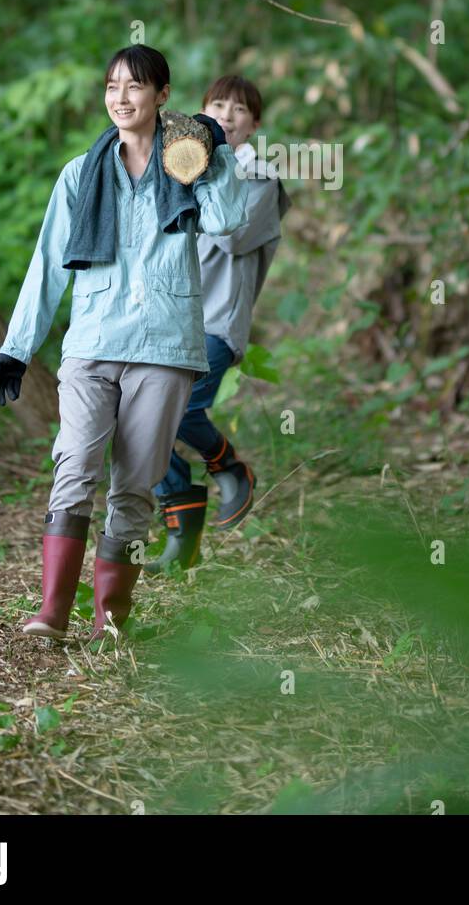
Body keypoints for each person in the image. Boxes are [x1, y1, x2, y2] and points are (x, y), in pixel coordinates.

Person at [0, 45, 248, 642]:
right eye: (111, 87)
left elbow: (227, 219)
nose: (121, 98)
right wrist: (16, 348)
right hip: (92, 344)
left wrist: (213, 154)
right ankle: (52, 613)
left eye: (134, 87)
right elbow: (48, 264)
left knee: (133, 485)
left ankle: (113, 617)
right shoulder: (82, 173)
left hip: (163, 349)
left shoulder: (186, 163)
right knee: (75, 466)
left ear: (162, 95)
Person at [145, 74, 291, 572]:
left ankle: (230, 468)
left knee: (179, 407)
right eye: (218, 104)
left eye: (240, 109)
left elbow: (228, 234)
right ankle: (181, 532)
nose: (227, 115)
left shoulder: (261, 179)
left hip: (216, 323)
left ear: (254, 125)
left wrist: (209, 169)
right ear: (204, 110)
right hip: (168, 318)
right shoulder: (182, 167)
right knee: (136, 416)